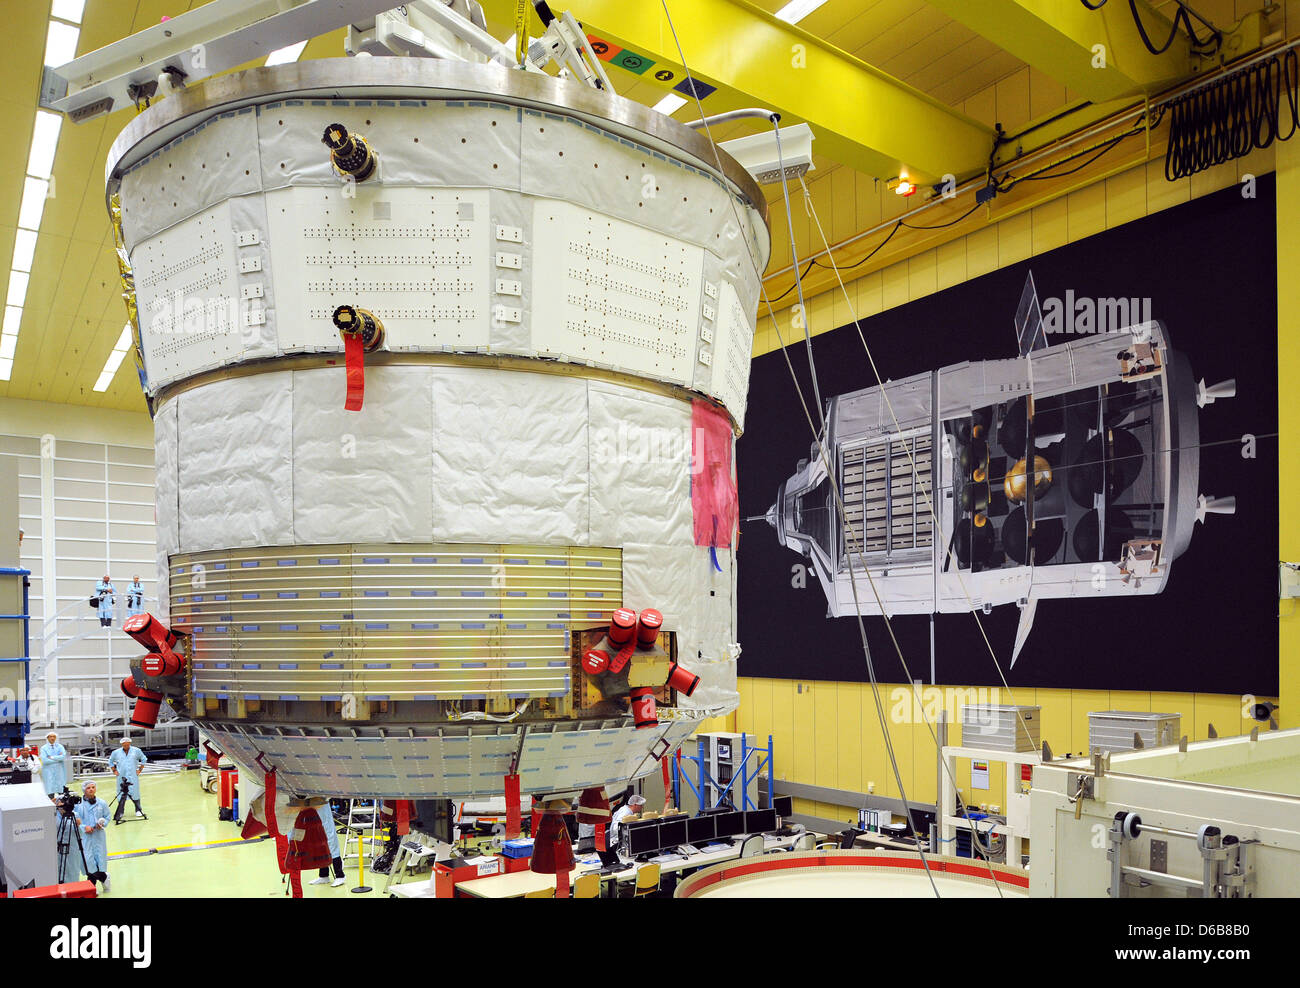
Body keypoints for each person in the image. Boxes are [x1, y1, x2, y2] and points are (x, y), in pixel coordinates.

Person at [74, 779, 111, 893]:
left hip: (98, 836)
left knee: (99, 859)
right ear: (84, 790)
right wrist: (84, 827)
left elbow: (107, 816)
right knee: (88, 860)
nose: (91, 789)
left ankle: (92, 886)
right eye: (88, 788)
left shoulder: (102, 803)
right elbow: (76, 819)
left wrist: (102, 823)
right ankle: (104, 878)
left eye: (93, 787)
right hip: (85, 837)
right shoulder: (78, 805)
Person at [108, 737, 148, 822]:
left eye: (127, 744)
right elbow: (110, 761)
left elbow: (144, 759)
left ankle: (138, 810)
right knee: (121, 793)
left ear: (130, 743)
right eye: (124, 744)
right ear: (121, 744)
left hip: (133, 775)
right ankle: (121, 811)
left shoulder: (136, 751)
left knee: (135, 793)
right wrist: (114, 770)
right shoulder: (116, 752)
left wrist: (140, 769)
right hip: (121, 776)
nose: (126, 745)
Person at [309, 801, 347, 888]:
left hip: (321, 805)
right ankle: (323, 875)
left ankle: (340, 875)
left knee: (330, 840)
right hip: (313, 807)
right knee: (319, 842)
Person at [38, 731, 69, 798]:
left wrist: (52, 757)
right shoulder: (43, 748)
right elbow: (45, 760)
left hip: (59, 771)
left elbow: (63, 757)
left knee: (61, 791)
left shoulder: (60, 746)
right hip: (48, 771)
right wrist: (58, 759)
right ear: (47, 738)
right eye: (50, 736)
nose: (52, 738)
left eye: (54, 736)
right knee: (50, 790)